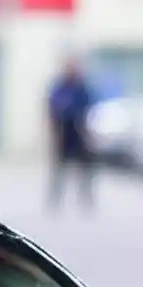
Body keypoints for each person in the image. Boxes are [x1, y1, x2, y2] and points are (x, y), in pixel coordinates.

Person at [46, 59, 96, 213]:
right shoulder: (59, 87)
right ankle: (55, 200)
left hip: (80, 130)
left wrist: (88, 134)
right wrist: (54, 134)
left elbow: (89, 110)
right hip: (63, 130)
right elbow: (52, 110)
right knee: (60, 169)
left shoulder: (81, 88)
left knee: (85, 169)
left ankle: (86, 199)